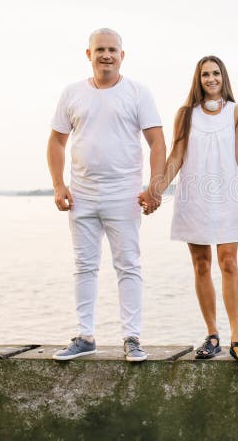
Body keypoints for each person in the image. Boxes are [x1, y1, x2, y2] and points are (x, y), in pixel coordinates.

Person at [47, 28, 166, 362]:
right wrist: (59, 184)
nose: (106, 55)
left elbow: (157, 142)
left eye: (112, 49)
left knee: (128, 265)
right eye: (100, 49)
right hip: (81, 194)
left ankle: (131, 338)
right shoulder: (72, 93)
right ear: (89, 54)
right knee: (84, 265)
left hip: (124, 194)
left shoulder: (138, 93)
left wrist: (154, 187)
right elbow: (56, 141)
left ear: (122, 55)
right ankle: (85, 337)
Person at [148, 55, 238, 374]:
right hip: (193, 196)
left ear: (223, 77)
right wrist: (156, 188)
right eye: (204, 75)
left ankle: (237, 338)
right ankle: (212, 335)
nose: (210, 79)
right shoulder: (186, 114)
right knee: (201, 264)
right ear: (197, 80)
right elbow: (176, 156)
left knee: (228, 262)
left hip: (225, 195)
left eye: (215, 73)